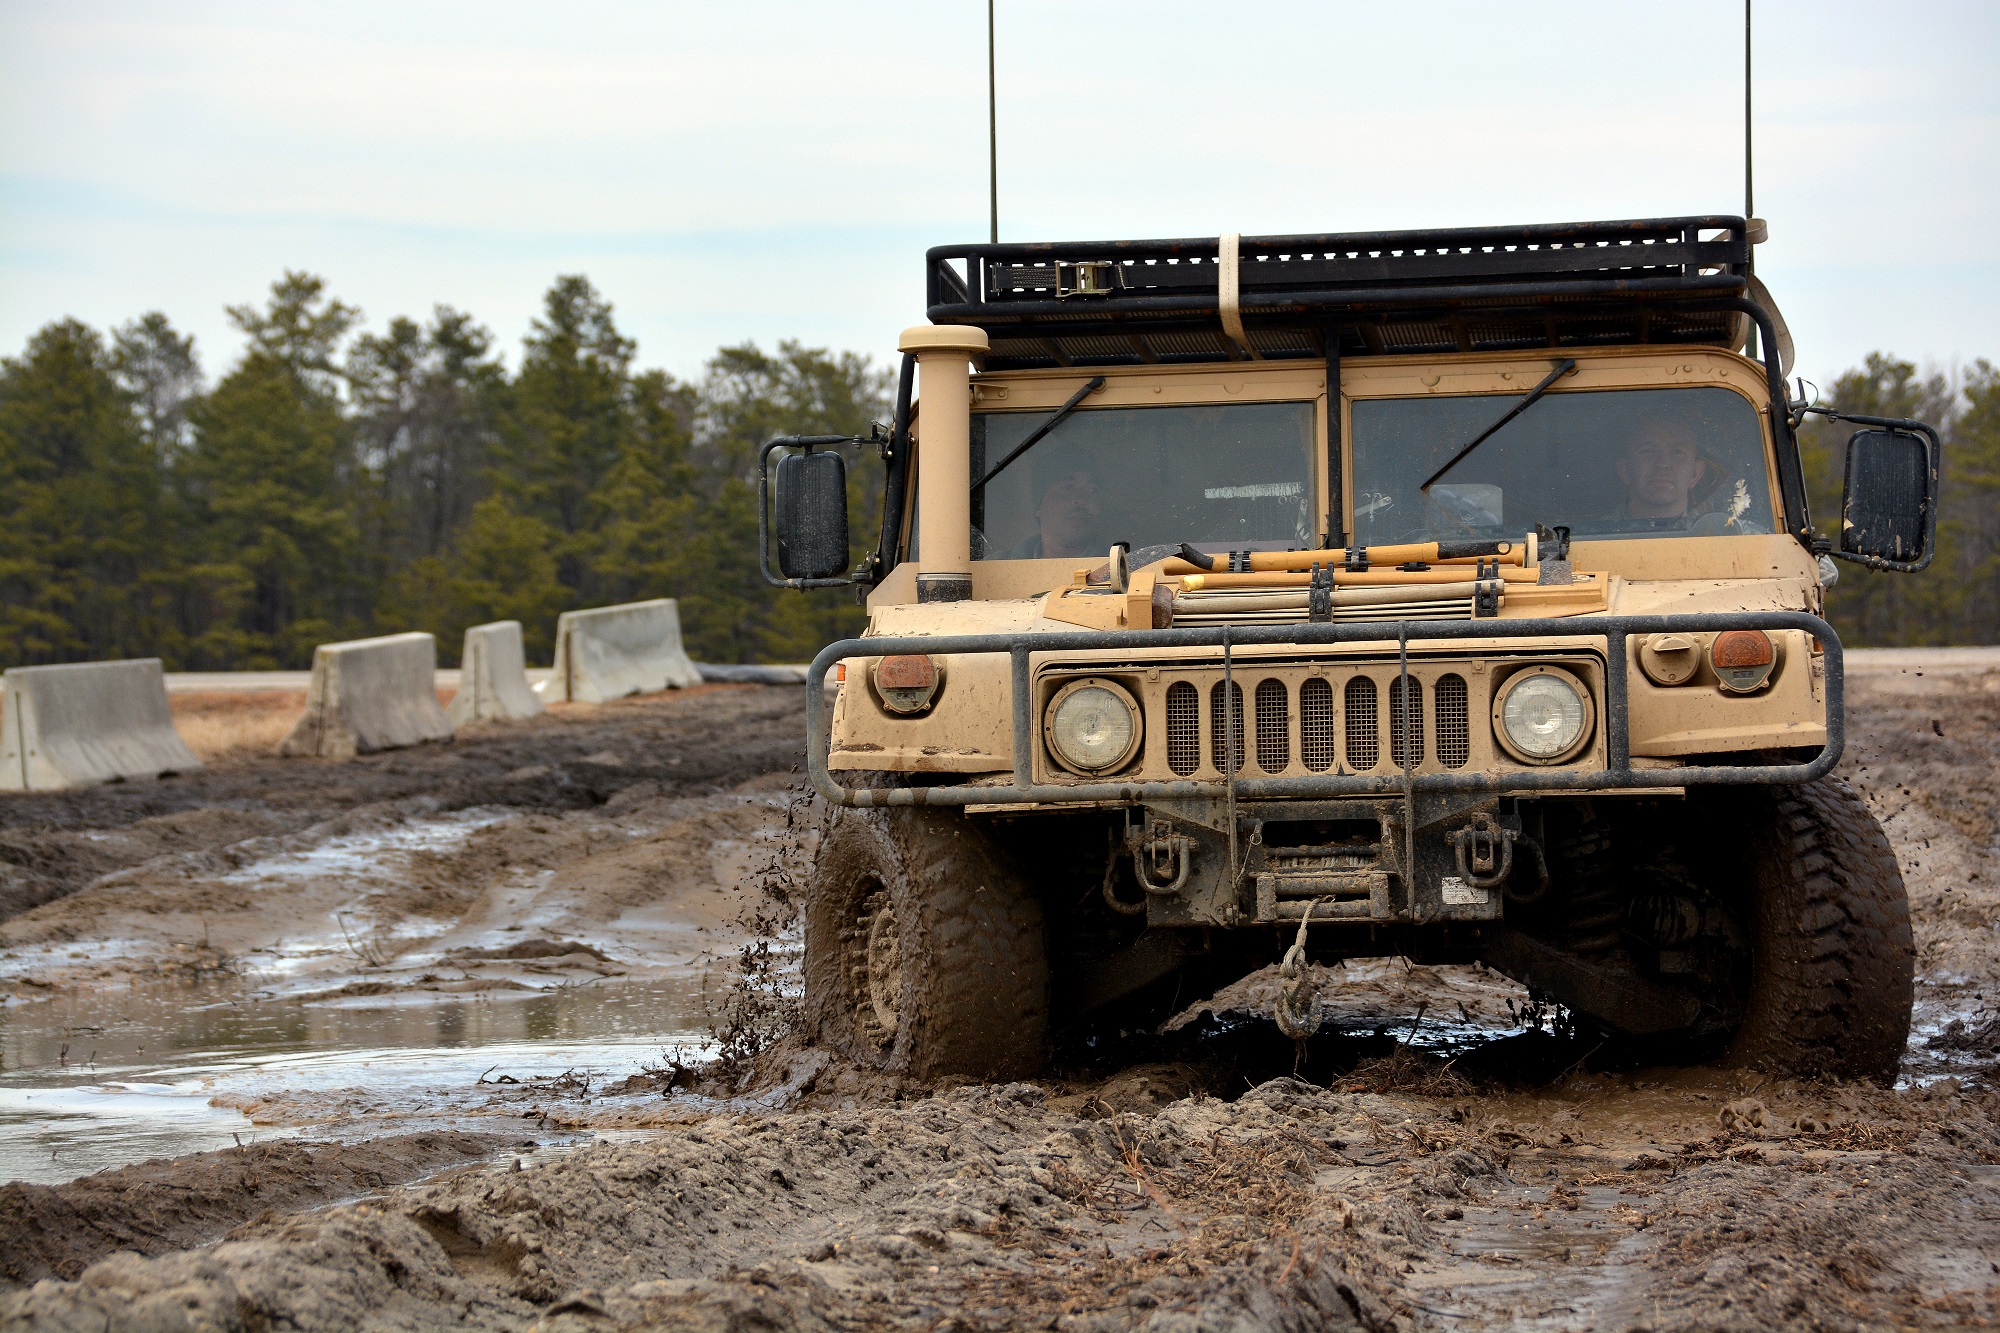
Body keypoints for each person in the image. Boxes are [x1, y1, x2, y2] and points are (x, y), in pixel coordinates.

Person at [1002, 464, 1104, 558]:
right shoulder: (997, 567)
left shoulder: (1117, 570)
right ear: (1038, 505)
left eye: (1092, 490)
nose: (1081, 500)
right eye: (1067, 488)